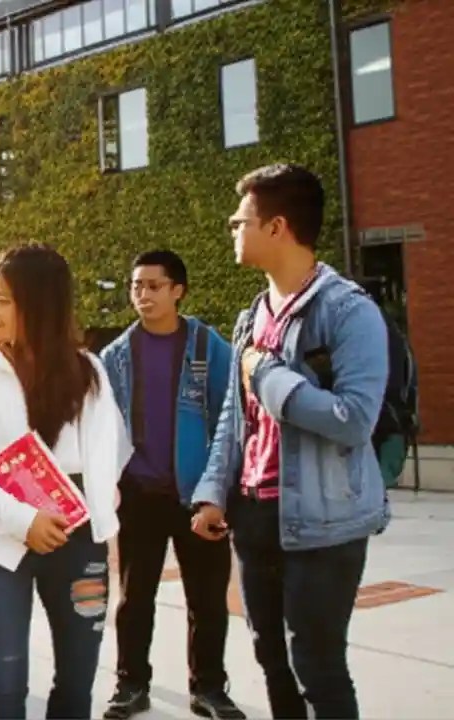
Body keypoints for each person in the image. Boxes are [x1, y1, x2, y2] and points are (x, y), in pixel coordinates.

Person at [191, 164, 389, 720]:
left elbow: (354, 420)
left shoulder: (349, 311)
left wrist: (269, 376)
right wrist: (213, 490)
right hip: (254, 515)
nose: (232, 227)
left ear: (276, 227)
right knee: (271, 659)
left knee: (318, 667)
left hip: (324, 521)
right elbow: (236, 412)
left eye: (241, 220)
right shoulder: (251, 317)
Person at [0, 244, 127, 720]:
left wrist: (103, 499)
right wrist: (23, 520)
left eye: (3, 299)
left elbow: (111, 451)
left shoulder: (89, 373)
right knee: (4, 693)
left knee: (75, 690)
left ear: (39, 304)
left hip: (77, 546)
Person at [99, 250, 241, 720]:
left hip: (198, 497)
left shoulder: (207, 347)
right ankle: (130, 685)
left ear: (177, 290)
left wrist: (218, 493)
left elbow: (230, 417)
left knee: (206, 599)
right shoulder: (116, 356)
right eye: (136, 285)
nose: (143, 294)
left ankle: (209, 689)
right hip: (139, 496)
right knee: (134, 599)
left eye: (153, 285)